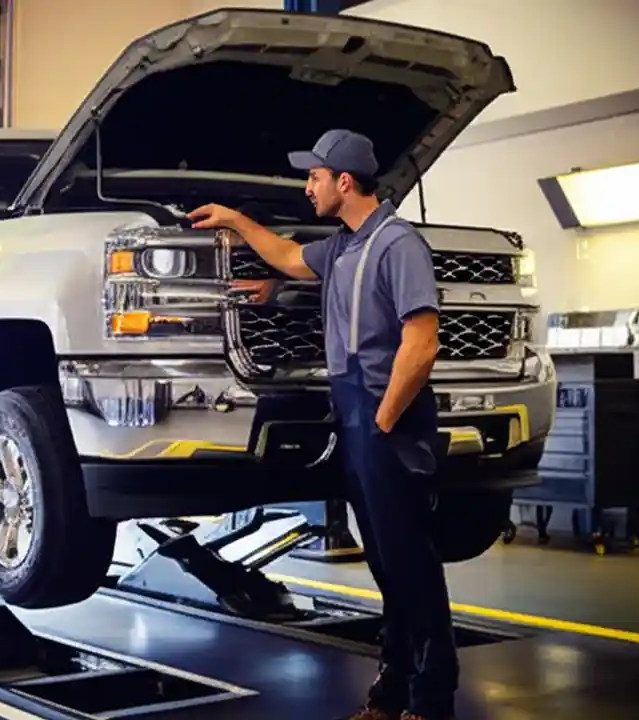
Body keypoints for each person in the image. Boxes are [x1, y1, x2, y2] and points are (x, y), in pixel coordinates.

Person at [187, 129, 458, 720]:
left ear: (344, 180)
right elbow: (287, 254)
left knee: (410, 563)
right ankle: (392, 693)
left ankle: (432, 701)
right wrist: (238, 222)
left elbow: (422, 341)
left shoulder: (397, 244)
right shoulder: (342, 247)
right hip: (356, 418)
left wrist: (384, 419)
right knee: (387, 566)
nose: (306, 186)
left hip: (390, 419)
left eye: (313, 176)